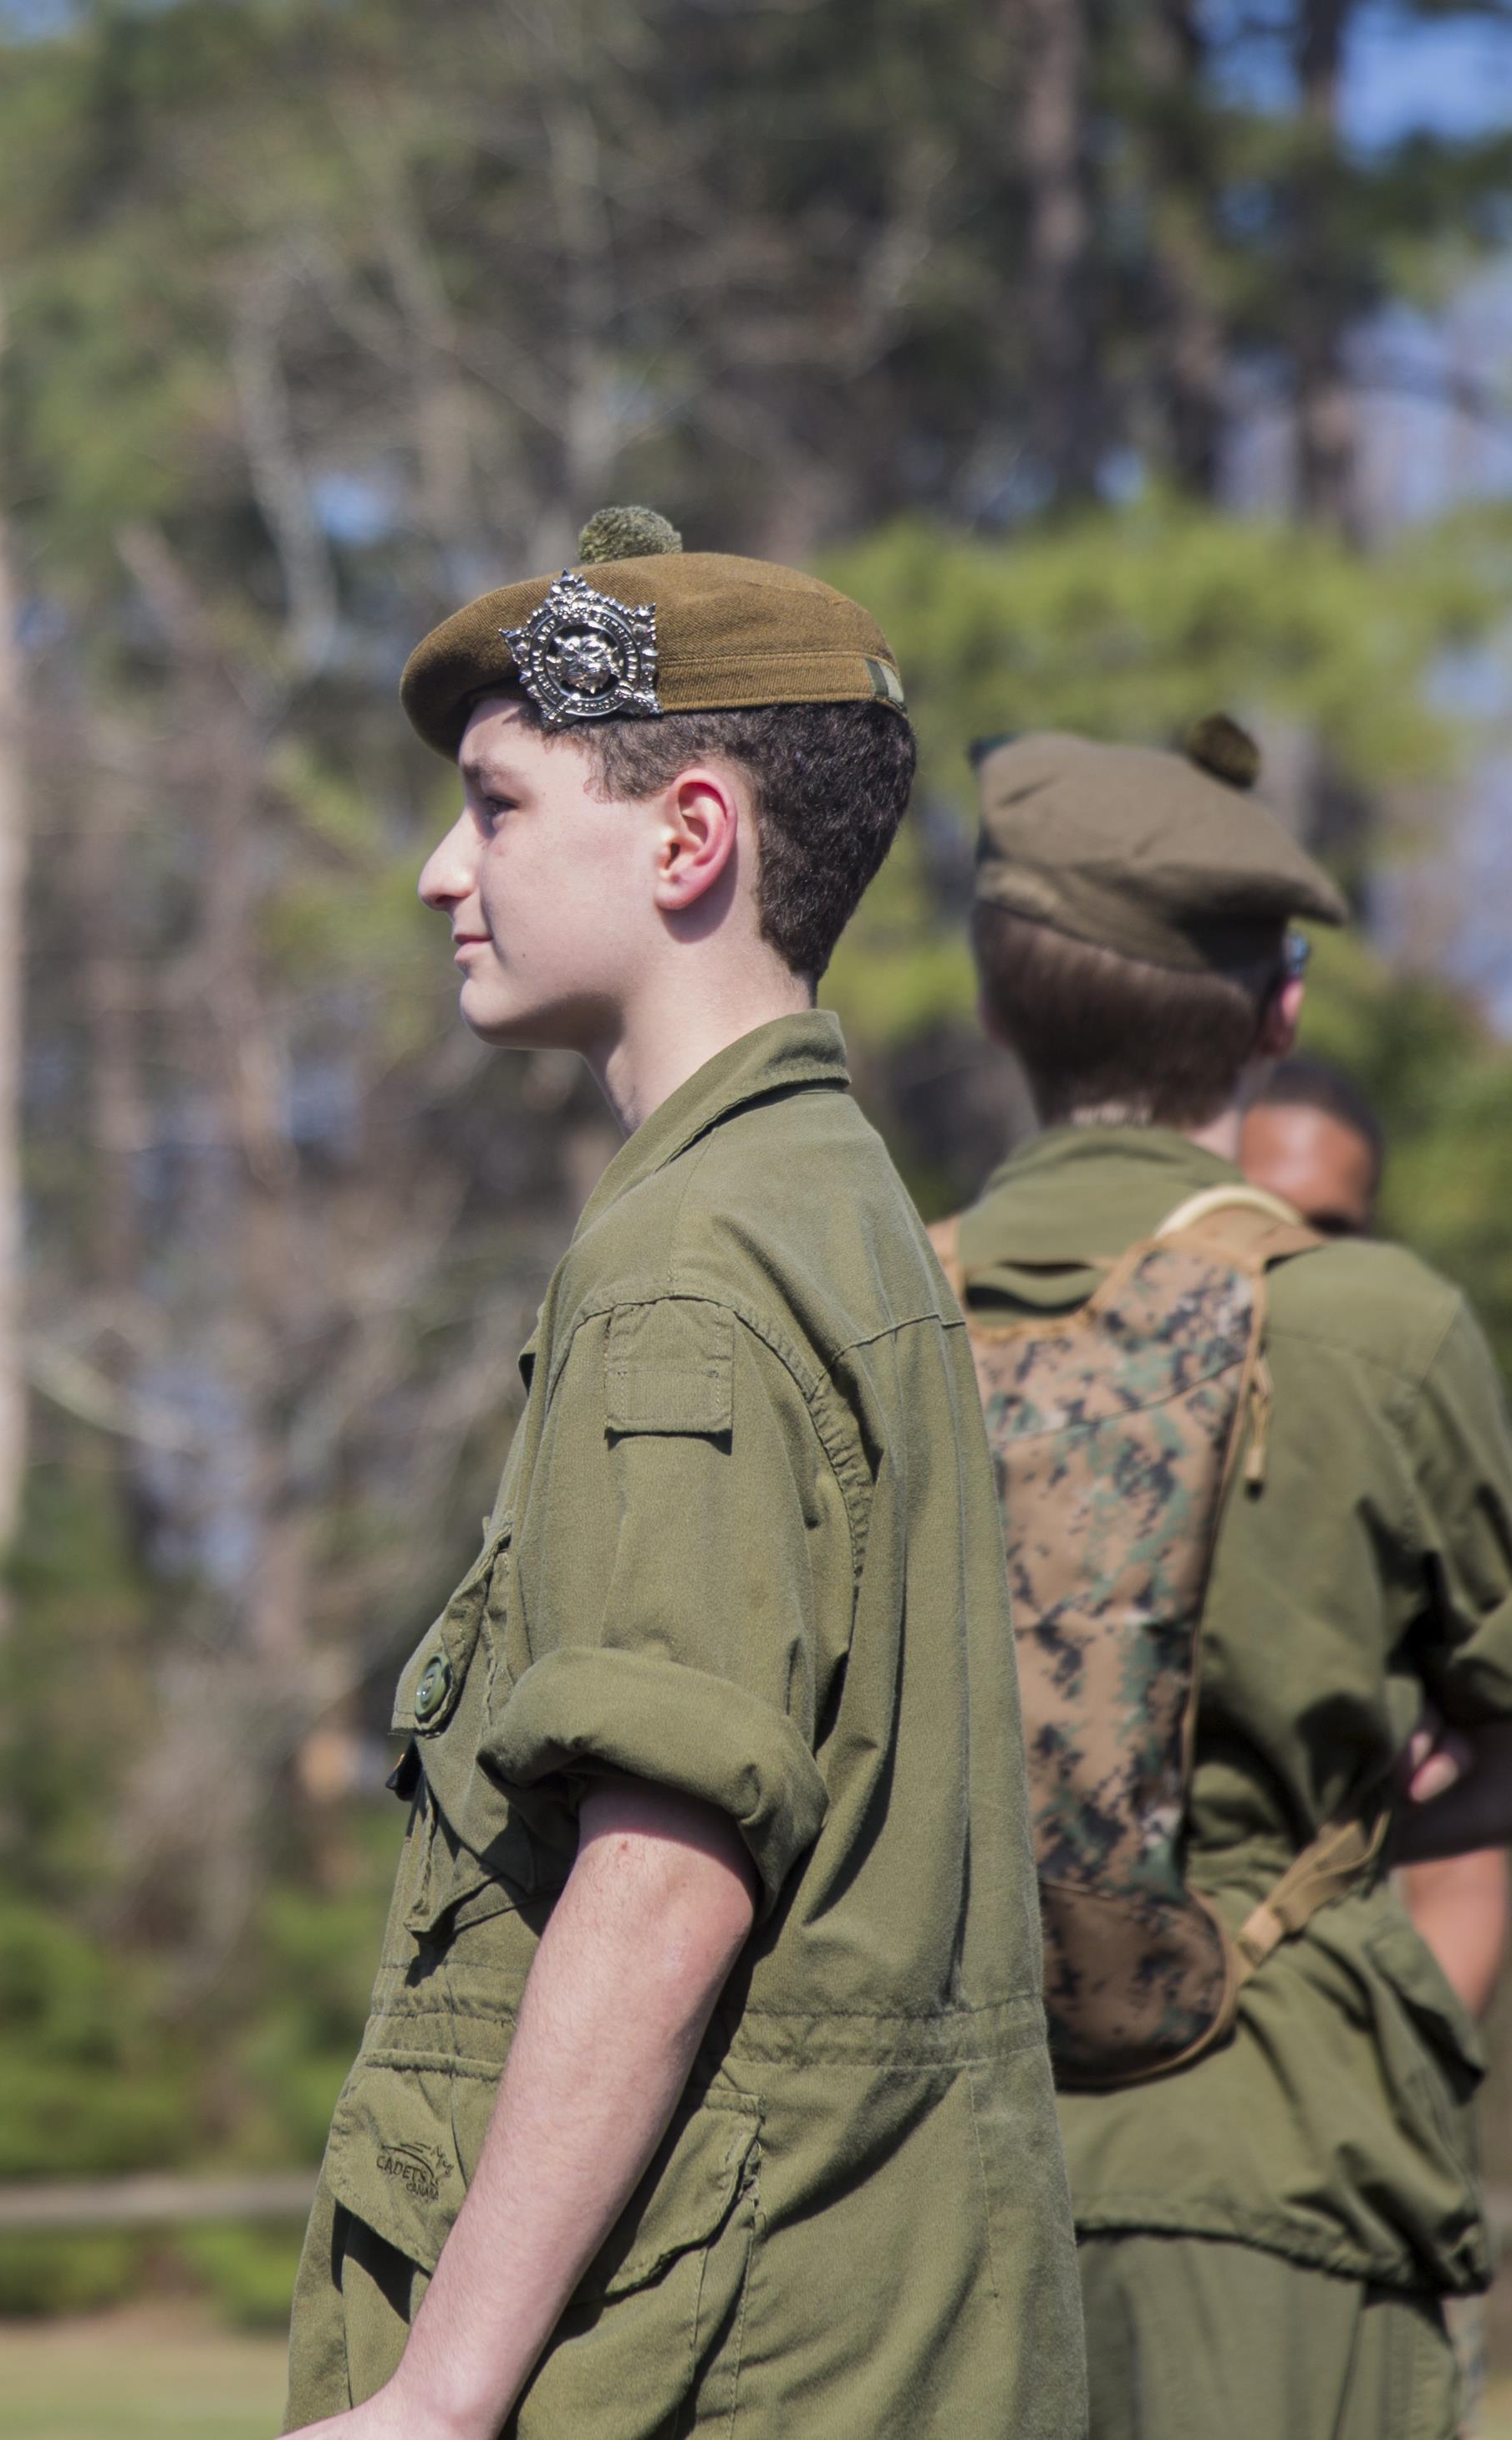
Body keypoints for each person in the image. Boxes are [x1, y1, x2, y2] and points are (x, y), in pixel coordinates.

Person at [282, 510, 1082, 2437]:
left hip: (727, 2362)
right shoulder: (837, 1205)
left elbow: (660, 1879)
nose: (432, 872)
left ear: (686, 839)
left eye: (490, 806)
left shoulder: (692, 1265)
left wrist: (441, 2392)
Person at [944, 728, 1512, 2440]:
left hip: (916, 2204)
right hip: (1274, 2171)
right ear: (1275, 1017)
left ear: (992, 1004)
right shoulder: (1377, 1331)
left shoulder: (855, 1321)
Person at [1235, 1057, 1509, 2020]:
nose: (1300, 1259)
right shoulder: (1105, 1406)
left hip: (1321, 2075)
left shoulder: (1398, 1440)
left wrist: (1411, 2076)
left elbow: (1466, 1875)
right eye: (1266, 1218)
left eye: (1333, 1232)